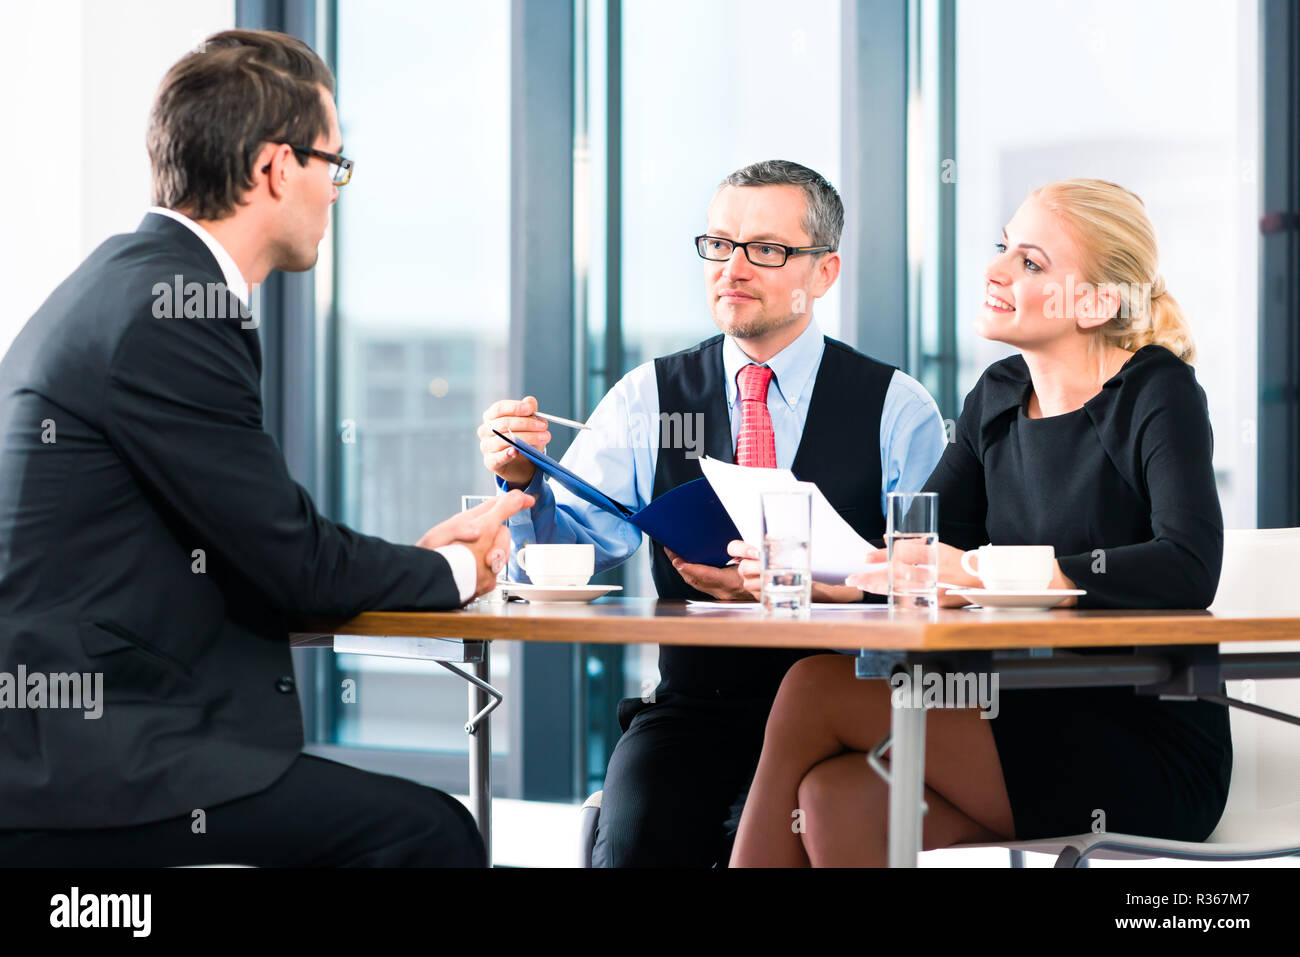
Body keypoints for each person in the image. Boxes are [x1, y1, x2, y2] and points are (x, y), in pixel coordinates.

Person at [0, 29, 532, 867]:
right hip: (95, 762)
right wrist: (465, 570)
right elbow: (290, 559)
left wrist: (407, 559)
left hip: (89, 737)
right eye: (335, 166)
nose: (336, 192)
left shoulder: (133, 282)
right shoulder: (170, 313)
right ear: (277, 168)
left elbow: (260, 542)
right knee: (433, 832)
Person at [728, 178, 1232, 866]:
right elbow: (918, 552)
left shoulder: (1156, 391)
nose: (994, 270)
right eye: (1002, 247)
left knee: (813, 688)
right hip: (1019, 711)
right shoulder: (997, 395)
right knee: (831, 799)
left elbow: (1189, 562)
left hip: (1143, 739)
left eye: (1030, 262)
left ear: (1097, 301)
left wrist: (985, 571)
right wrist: (822, 572)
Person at [478, 159, 947, 866]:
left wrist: (802, 585)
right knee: (639, 835)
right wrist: (523, 484)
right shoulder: (648, 396)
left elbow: (927, 584)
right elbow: (566, 550)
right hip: (695, 706)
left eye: (766, 249)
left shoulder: (896, 407)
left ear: (824, 272)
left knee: (807, 834)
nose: (734, 267)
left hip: (848, 713)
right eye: (720, 245)